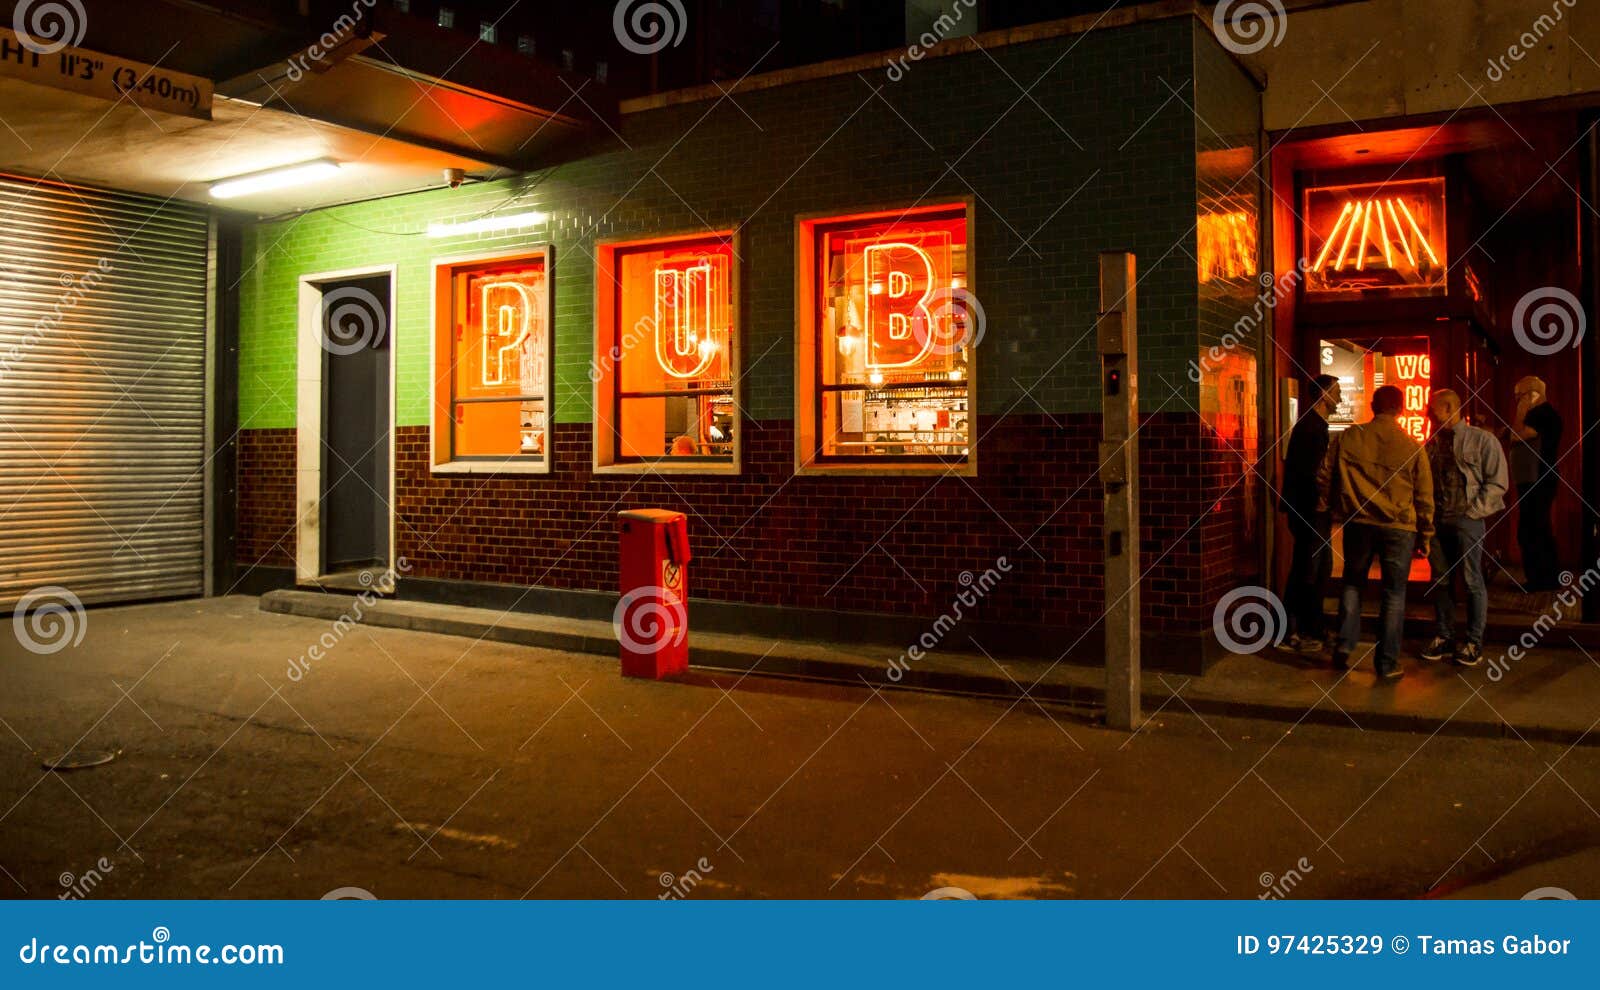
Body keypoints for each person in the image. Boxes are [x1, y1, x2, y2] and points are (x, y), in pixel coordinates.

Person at [1319, 385, 1434, 681]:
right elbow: (1424, 496)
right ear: (1400, 409)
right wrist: (1426, 535)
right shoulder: (1412, 446)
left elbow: (1325, 474)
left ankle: (1344, 646)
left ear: (1372, 406)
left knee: (1352, 584)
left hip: (1358, 522)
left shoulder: (1349, 437)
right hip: (1399, 526)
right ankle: (1387, 662)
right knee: (1393, 593)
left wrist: (1329, 506)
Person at [1420, 390, 1507, 668]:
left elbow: (1497, 482)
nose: (1429, 414)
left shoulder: (1482, 440)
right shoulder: (1432, 443)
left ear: (1449, 408)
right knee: (1440, 580)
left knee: (1471, 580)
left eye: (1433, 410)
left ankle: (1473, 641)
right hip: (1438, 520)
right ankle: (1445, 636)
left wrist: (1473, 512)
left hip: (1466, 519)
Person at [1280, 374, 1341, 655]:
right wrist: (1321, 500)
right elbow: (1310, 473)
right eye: (1336, 392)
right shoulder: (1312, 428)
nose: (1340, 397)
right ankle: (1295, 630)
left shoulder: (1313, 426)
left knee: (1316, 569)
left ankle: (1307, 627)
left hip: (1309, 509)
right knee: (1308, 570)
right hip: (1310, 510)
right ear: (1323, 394)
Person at [1509, 376, 1564, 591]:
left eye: (1520, 396)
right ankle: (1543, 578)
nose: (1517, 401)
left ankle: (1541, 580)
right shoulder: (1541, 414)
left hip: (1539, 479)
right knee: (1536, 528)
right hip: (1535, 478)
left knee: (1533, 530)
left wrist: (1521, 409)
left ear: (1533, 394)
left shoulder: (1541, 414)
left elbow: (1517, 435)